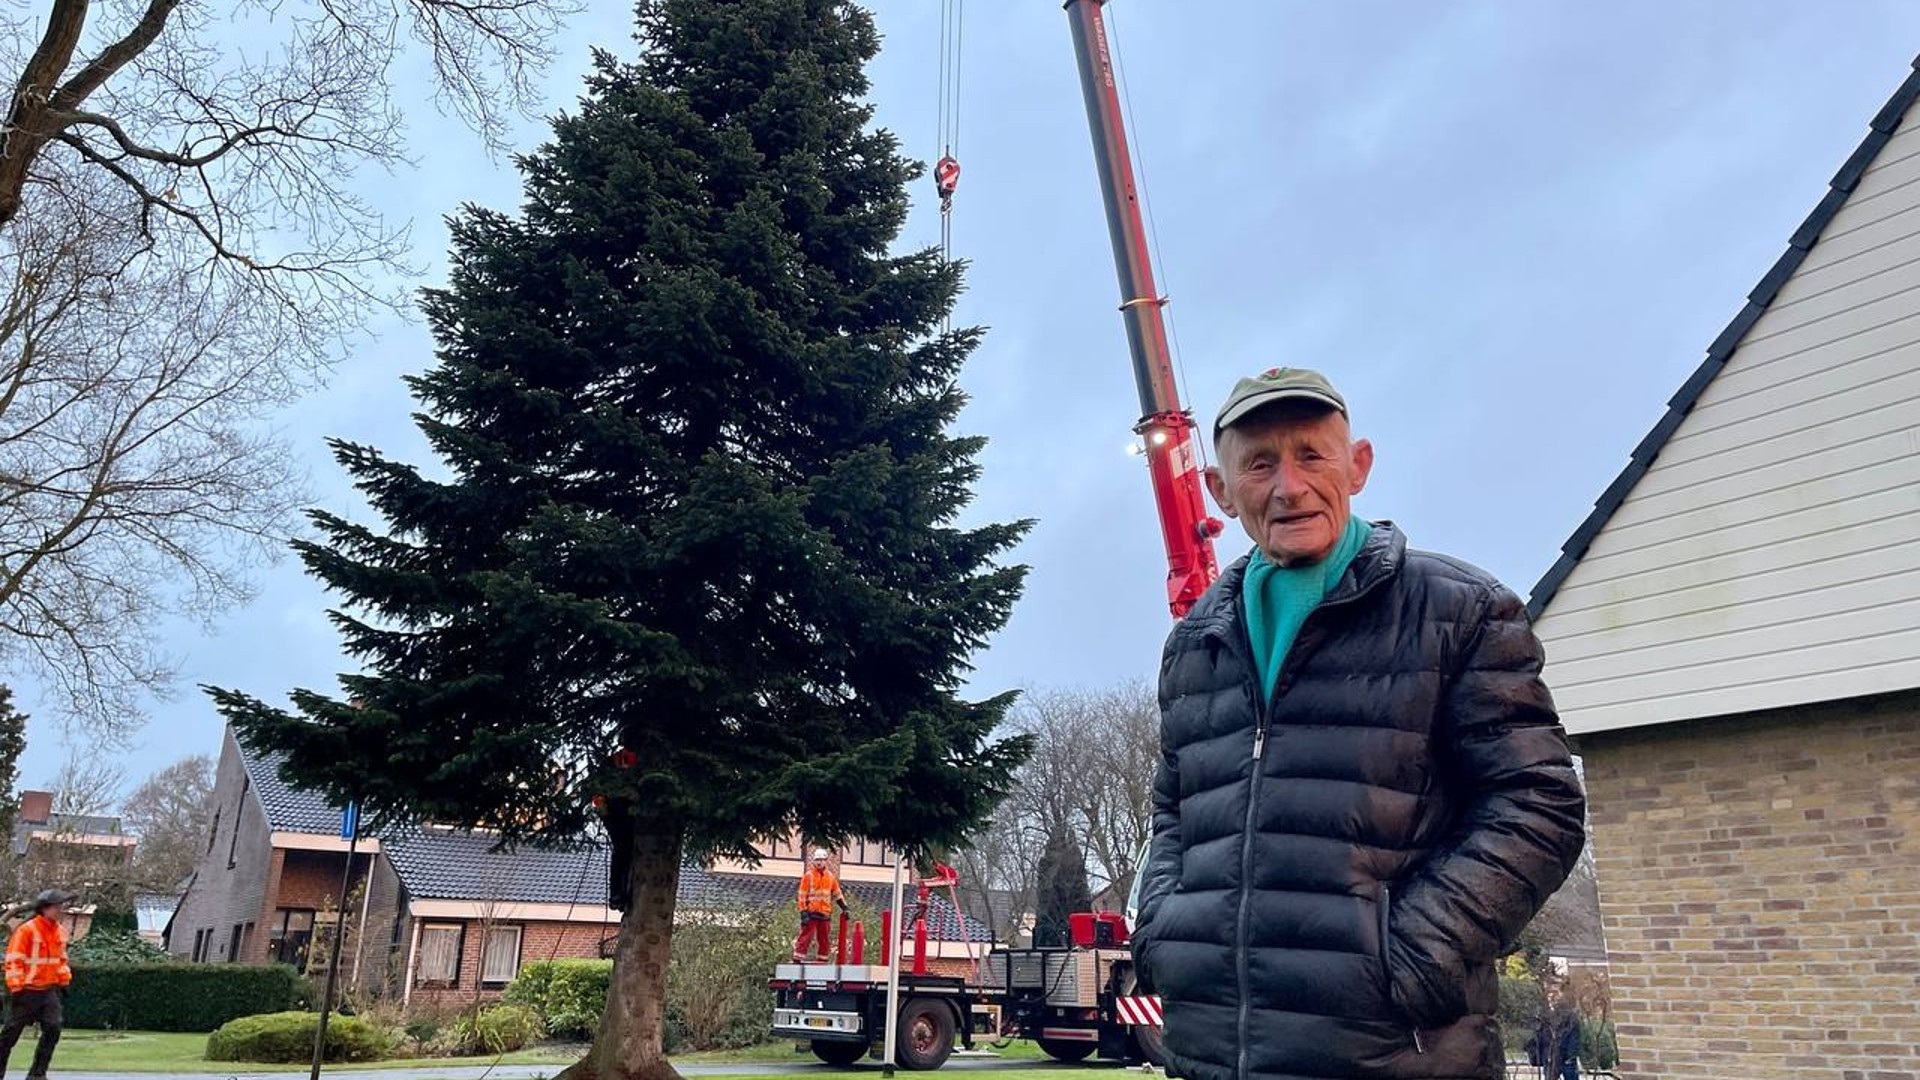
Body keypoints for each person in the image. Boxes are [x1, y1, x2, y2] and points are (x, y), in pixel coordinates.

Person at [1129, 367, 1587, 1080]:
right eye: (1260, 463)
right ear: (1221, 491)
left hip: (1392, 1055)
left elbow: (1538, 803)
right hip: (1212, 1053)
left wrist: (1410, 949)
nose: (1289, 485)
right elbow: (1174, 811)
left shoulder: (1460, 611)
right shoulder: (1195, 643)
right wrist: (1164, 931)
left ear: (1359, 465)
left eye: (1312, 454)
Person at [2, 890, 75, 1080]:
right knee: (10, 1035)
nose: (61, 910)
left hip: (48, 990)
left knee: (54, 1028)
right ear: (44, 909)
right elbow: (14, 960)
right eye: (57, 907)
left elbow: (60, 960)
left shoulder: (60, 931)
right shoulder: (26, 930)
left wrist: (64, 980)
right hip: (26, 990)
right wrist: (17, 988)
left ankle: (37, 1074)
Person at [793, 849, 849, 962]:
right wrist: (803, 912)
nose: (819, 862)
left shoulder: (830, 877)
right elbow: (802, 895)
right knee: (806, 937)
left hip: (824, 913)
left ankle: (822, 959)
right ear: (814, 861)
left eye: (822, 860)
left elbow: (837, 893)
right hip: (811, 912)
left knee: (824, 939)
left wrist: (844, 907)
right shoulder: (808, 876)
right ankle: (798, 957)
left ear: (826, 861)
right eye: (817, 860)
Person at [1526, 981, 1581, 1080]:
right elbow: (1536, 1034)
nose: (1552, 995)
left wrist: (1570, 1055)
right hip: (1549, 1056)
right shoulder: (1541, 1013)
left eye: (1556, 992)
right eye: (1550, 992)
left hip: (1565, 1056)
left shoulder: (1569, 1014)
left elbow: (1574, 1035)